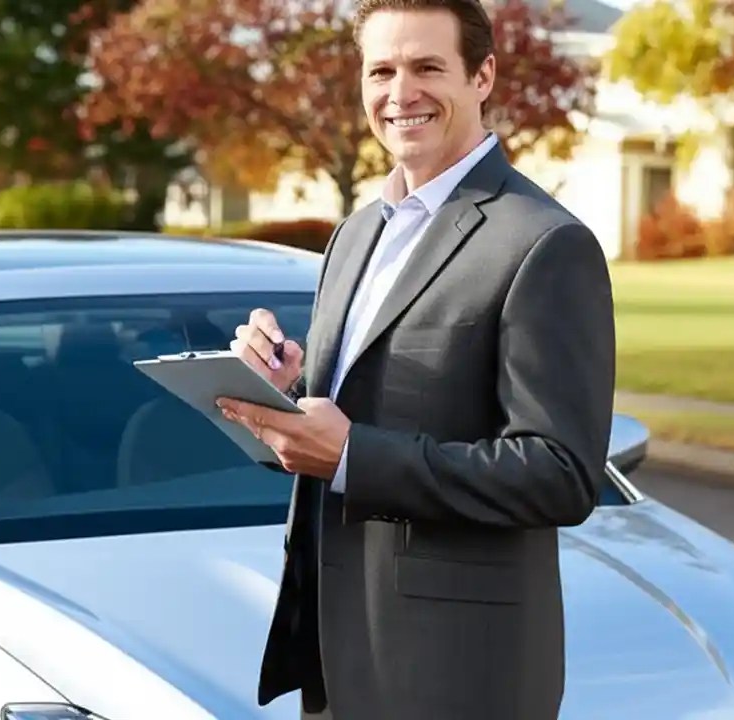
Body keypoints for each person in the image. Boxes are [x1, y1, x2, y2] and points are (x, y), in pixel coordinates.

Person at [214, 0, 617, 717]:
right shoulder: (354, 236)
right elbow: (355, 419)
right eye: (381, 71)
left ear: (482, 75)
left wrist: (351, 456)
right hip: (335, 662)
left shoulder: (545, 244)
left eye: (427, 67)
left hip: (455, 676)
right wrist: (279, 396)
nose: (401, 93)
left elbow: (560, 474)